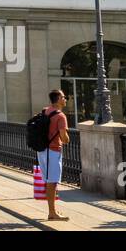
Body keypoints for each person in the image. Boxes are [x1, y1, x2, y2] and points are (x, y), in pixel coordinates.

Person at [37, 89, 70, 221]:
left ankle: (53, 210)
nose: (65, 99)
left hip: (42, 150)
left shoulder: (45, 111)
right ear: (58, 100)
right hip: (53, 151)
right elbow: (64, 137)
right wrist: (67, 138)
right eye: (63, 97)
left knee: (48, 181)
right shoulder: (61, 116)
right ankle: (52, 213)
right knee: (52, 182)